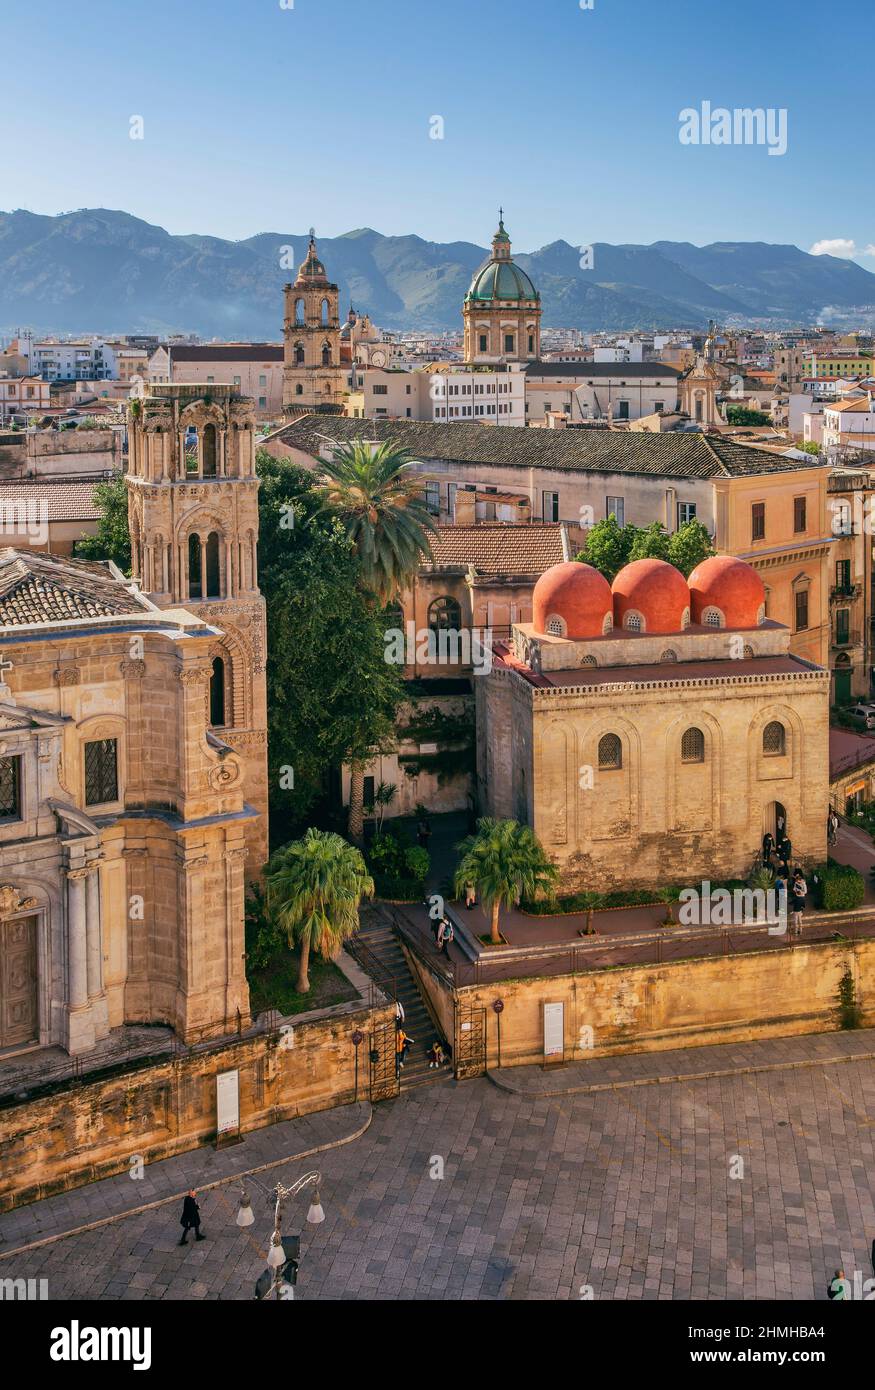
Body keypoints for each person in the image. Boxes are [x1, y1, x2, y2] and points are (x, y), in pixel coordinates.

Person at [790, 868, 807, 938]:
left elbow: (805, 892)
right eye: (796, 881)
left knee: (800, 905)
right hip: (797, 895)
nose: (797, 882)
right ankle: (798, 931)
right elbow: (794, 888)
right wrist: (795, 890)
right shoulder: (796, 882)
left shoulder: (803, 884)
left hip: (801, 896)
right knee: (798, 920)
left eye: (798, 881)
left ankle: (798, 931)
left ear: (801, 880)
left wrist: (800, 892)